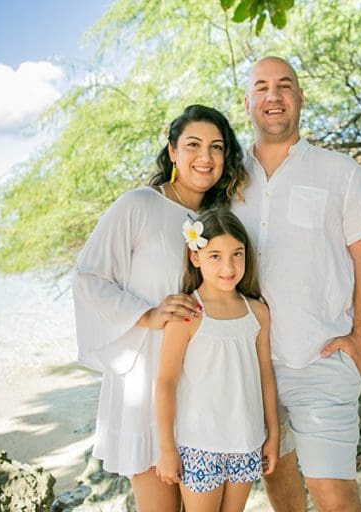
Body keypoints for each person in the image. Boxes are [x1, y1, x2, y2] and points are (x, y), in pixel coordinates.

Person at [72, 104, 249, 512]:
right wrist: (146, 314)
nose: (205, 157)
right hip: (149, 380)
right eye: (193, 145)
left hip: (204, 385)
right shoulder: (138, 205)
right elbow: (88, 278)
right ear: (172, 151)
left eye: (217, 147)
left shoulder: (220, 219)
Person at [230, 57, 361, 512]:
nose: (273, 96)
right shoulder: (227, 178)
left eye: (284, 86)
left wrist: (360, 339)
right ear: (247, 102)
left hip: (320, 359)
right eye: (262, 87)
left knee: (335, 496)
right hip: (249, 366)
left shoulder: (340, 171)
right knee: (278, 483)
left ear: (300, 97)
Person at [154, 208, 280, 512]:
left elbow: (265, 376)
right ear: (195, 257)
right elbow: (166, 382)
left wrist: (273, 434)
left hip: (246, 442)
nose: (228, 266)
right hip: (199, 445)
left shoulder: (257, 312)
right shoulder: (188, 313)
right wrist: (167, 448)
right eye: (215, 256)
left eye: (237, 254)